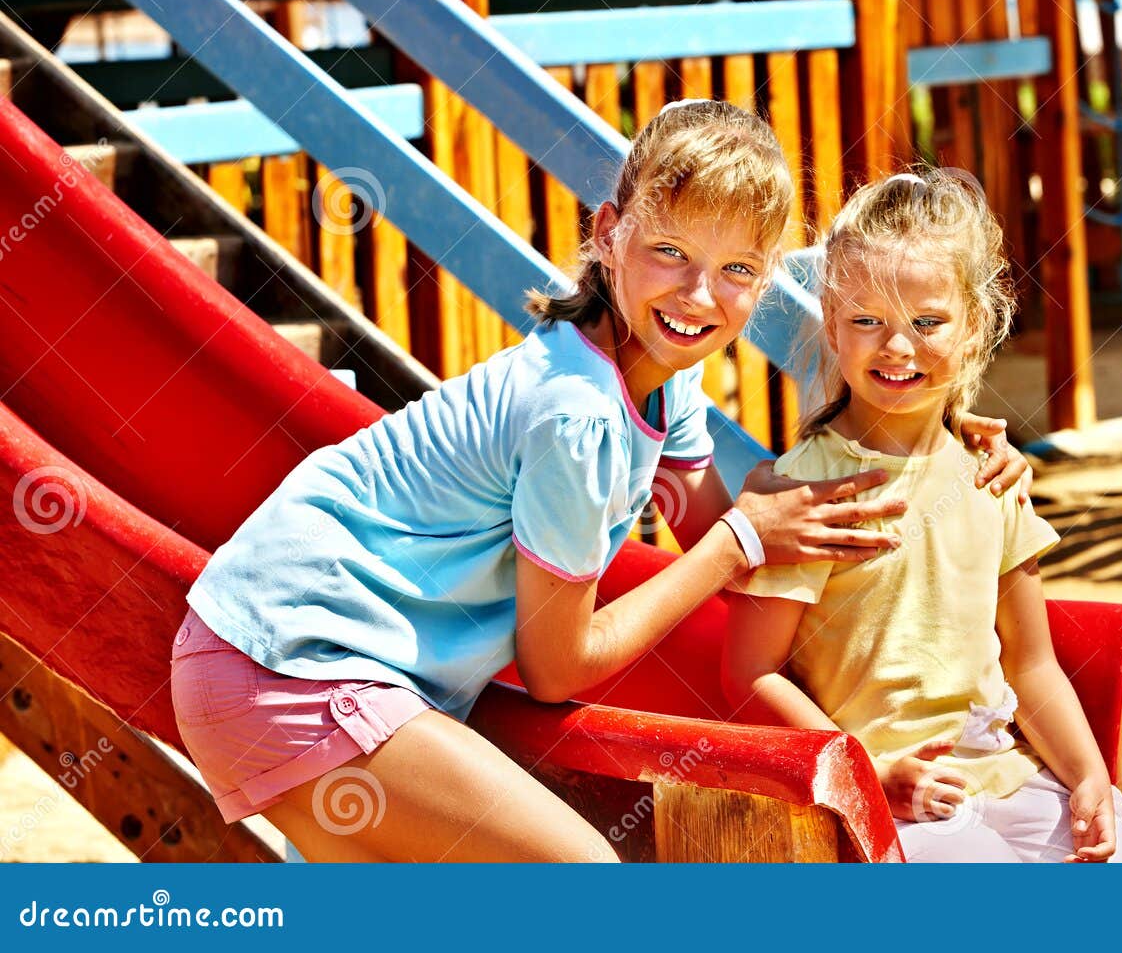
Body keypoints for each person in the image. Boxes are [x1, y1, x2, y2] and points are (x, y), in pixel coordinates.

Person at [169, 102, 1029, 862]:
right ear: (609, 233)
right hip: (293, 664)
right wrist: (742, 542)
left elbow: (731, 529)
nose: (700, 295)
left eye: (737, 270)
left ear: (766, 280)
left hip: (263, 661)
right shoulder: (575, 414)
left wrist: (933, 444)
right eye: (670, 251)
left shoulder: (666, 369)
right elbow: (563, 665)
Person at [721, 170, 1122, 863]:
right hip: (881, 796)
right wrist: (859, 771)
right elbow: (750, 674)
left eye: (927, 322)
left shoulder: (993, 474)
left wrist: (1088, 774)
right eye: (868, 321)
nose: (897, 346)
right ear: (832, 324)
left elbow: (1031, 661)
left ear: (975, 324)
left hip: (1008, 778)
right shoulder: (805, 490)